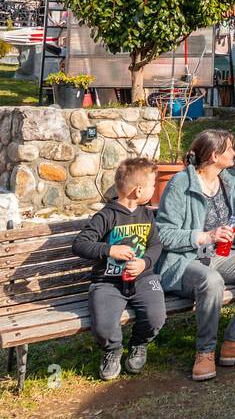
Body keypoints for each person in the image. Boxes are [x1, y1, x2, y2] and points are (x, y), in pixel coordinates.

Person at [156, 129, 235, 381]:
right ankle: (205, 352)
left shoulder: (226, 180)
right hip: (184, 261)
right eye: (230, 148)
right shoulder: (180, 185)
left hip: (217, 255)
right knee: (211, 280)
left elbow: (226, 221)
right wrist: (205, 236)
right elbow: (165, 235)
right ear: (214, 155)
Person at [71, 157, 166, 380]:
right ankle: (112, 351)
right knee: (104, 325)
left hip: (142, 279)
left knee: (155, 317)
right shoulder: (106, 216)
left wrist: (144, 263)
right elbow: (80, 244)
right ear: (138, 190)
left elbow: (156, 245)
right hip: (108, 282)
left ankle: (139, 344)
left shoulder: (146, 214)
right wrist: (109, 250)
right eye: (153, 185)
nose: (154, 189)